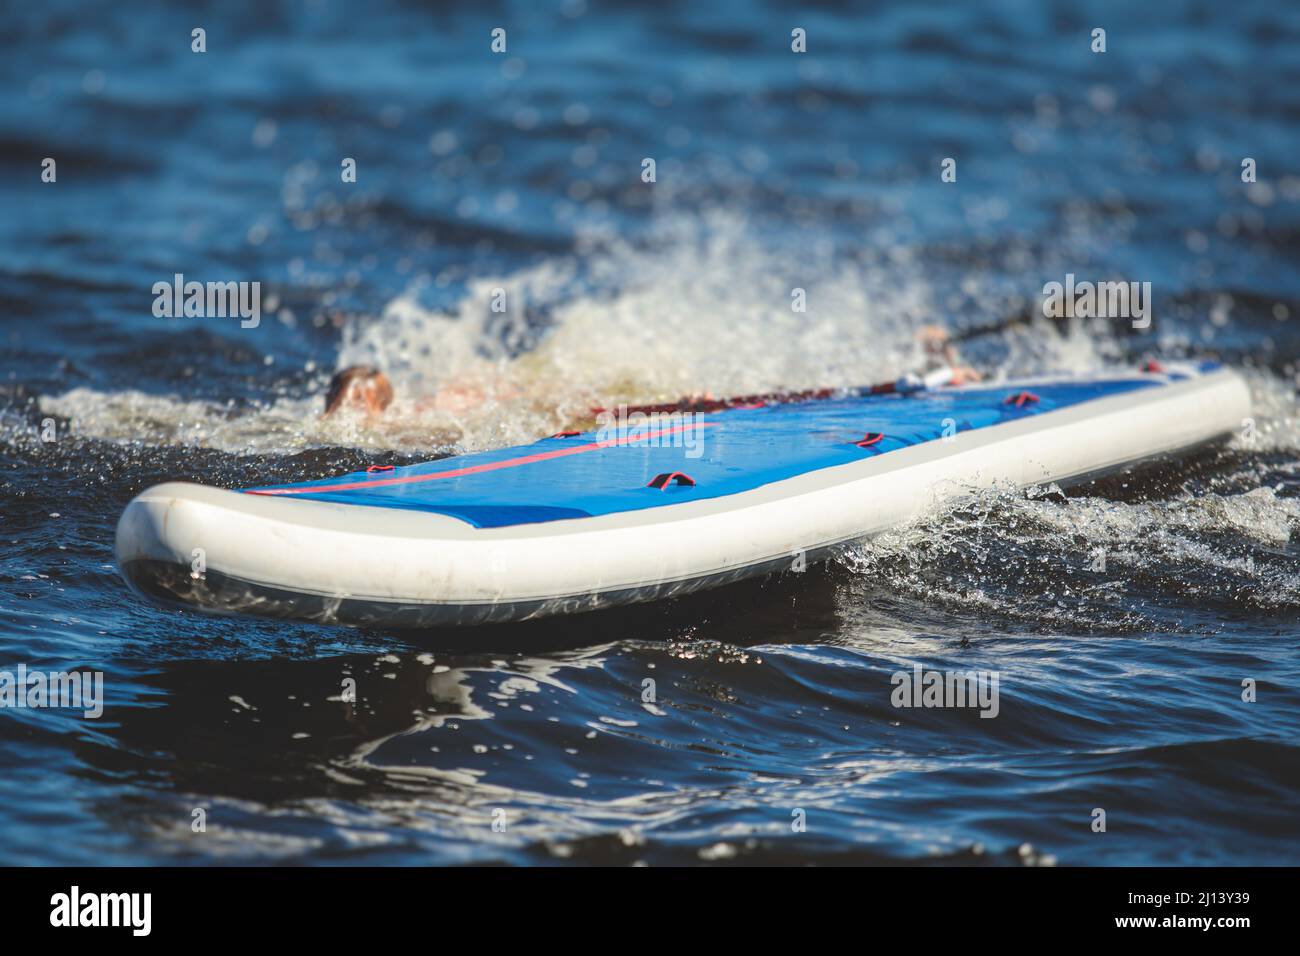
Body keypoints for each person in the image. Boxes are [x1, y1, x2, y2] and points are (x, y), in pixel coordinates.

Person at [320, 326, 981, 418]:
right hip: (537, 403)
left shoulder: (422, 418)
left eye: (359, 394)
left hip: (561, 406)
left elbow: (567, 411)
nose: (353, 406)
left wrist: (671, 410)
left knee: (598, 405)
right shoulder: (375, 429)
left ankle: (934, 370)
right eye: (347, 397)